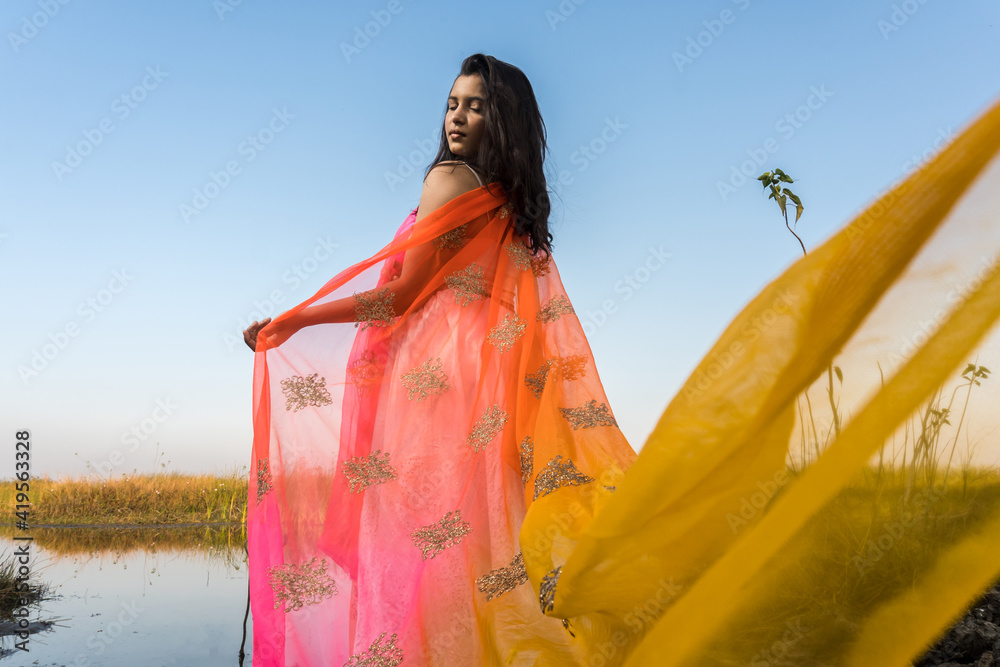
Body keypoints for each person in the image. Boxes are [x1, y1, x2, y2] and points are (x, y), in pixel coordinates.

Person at [243, 53, 637, 666]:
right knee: (473, 550)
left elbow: (398, 296)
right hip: (480, 397)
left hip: (430, 392)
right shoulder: (511, 208)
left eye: (476, 106)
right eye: (453, 103)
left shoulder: (450, 180)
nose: (457, 117)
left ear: (500, 118)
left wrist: (296, 318)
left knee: (414, 550)